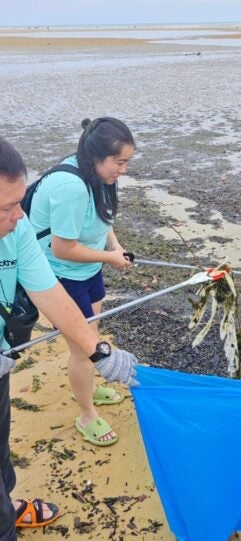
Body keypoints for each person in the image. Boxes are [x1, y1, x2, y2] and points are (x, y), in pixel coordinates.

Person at [0, 137, 138, 541]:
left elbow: (50, 294)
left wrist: (100, 352)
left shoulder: (15, 230)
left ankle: (9, 503)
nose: (20, 216)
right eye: (7, 206)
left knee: (1, 440)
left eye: (20, 202)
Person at [29, 117, 135, 446]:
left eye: (127, 163)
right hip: (62, 275)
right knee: (82, 349)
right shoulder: (71, 186)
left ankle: (89, 384)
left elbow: (104, 218)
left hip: (88, 271)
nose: (123, 171)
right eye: (119, 163)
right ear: (96, 157)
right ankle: (87, 414)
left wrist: (115, 247)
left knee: (93, 334)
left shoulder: (98, 175)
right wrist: (110, 258)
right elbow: (63, 248)